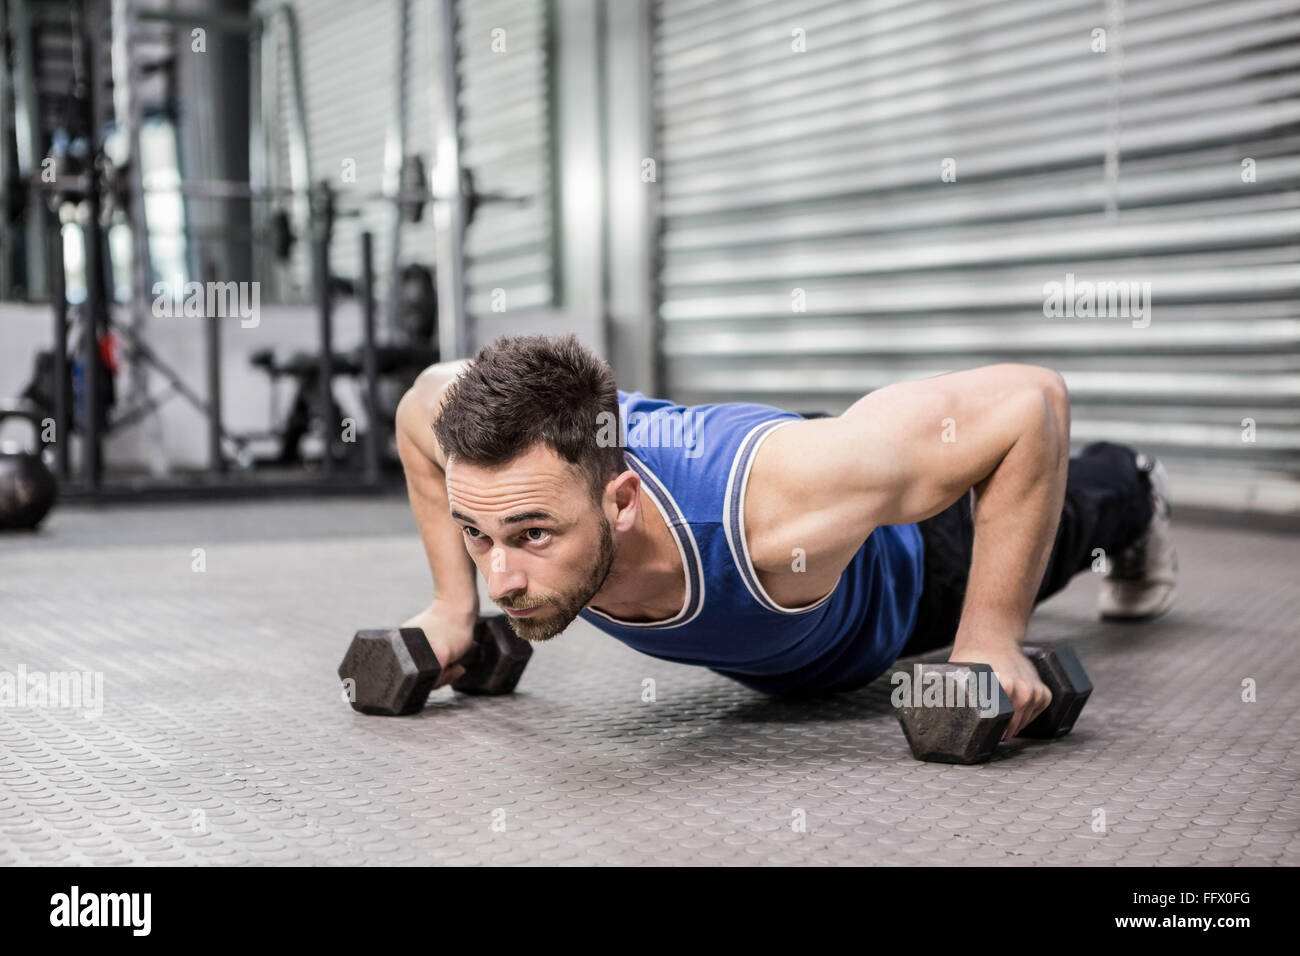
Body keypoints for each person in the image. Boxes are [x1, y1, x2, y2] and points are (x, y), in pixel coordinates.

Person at [394, 334, 1176, 738]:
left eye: (531, 535)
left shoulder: (771, 512)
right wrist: (449, 606)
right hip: (792, 476)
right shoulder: (503, 463)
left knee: (1074, 518)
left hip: (908, 572)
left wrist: (991, 638)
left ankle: (1134, 480)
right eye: (477, 534)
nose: (502, 580)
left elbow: (1028, 400)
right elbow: (416, 407)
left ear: (621, 502)